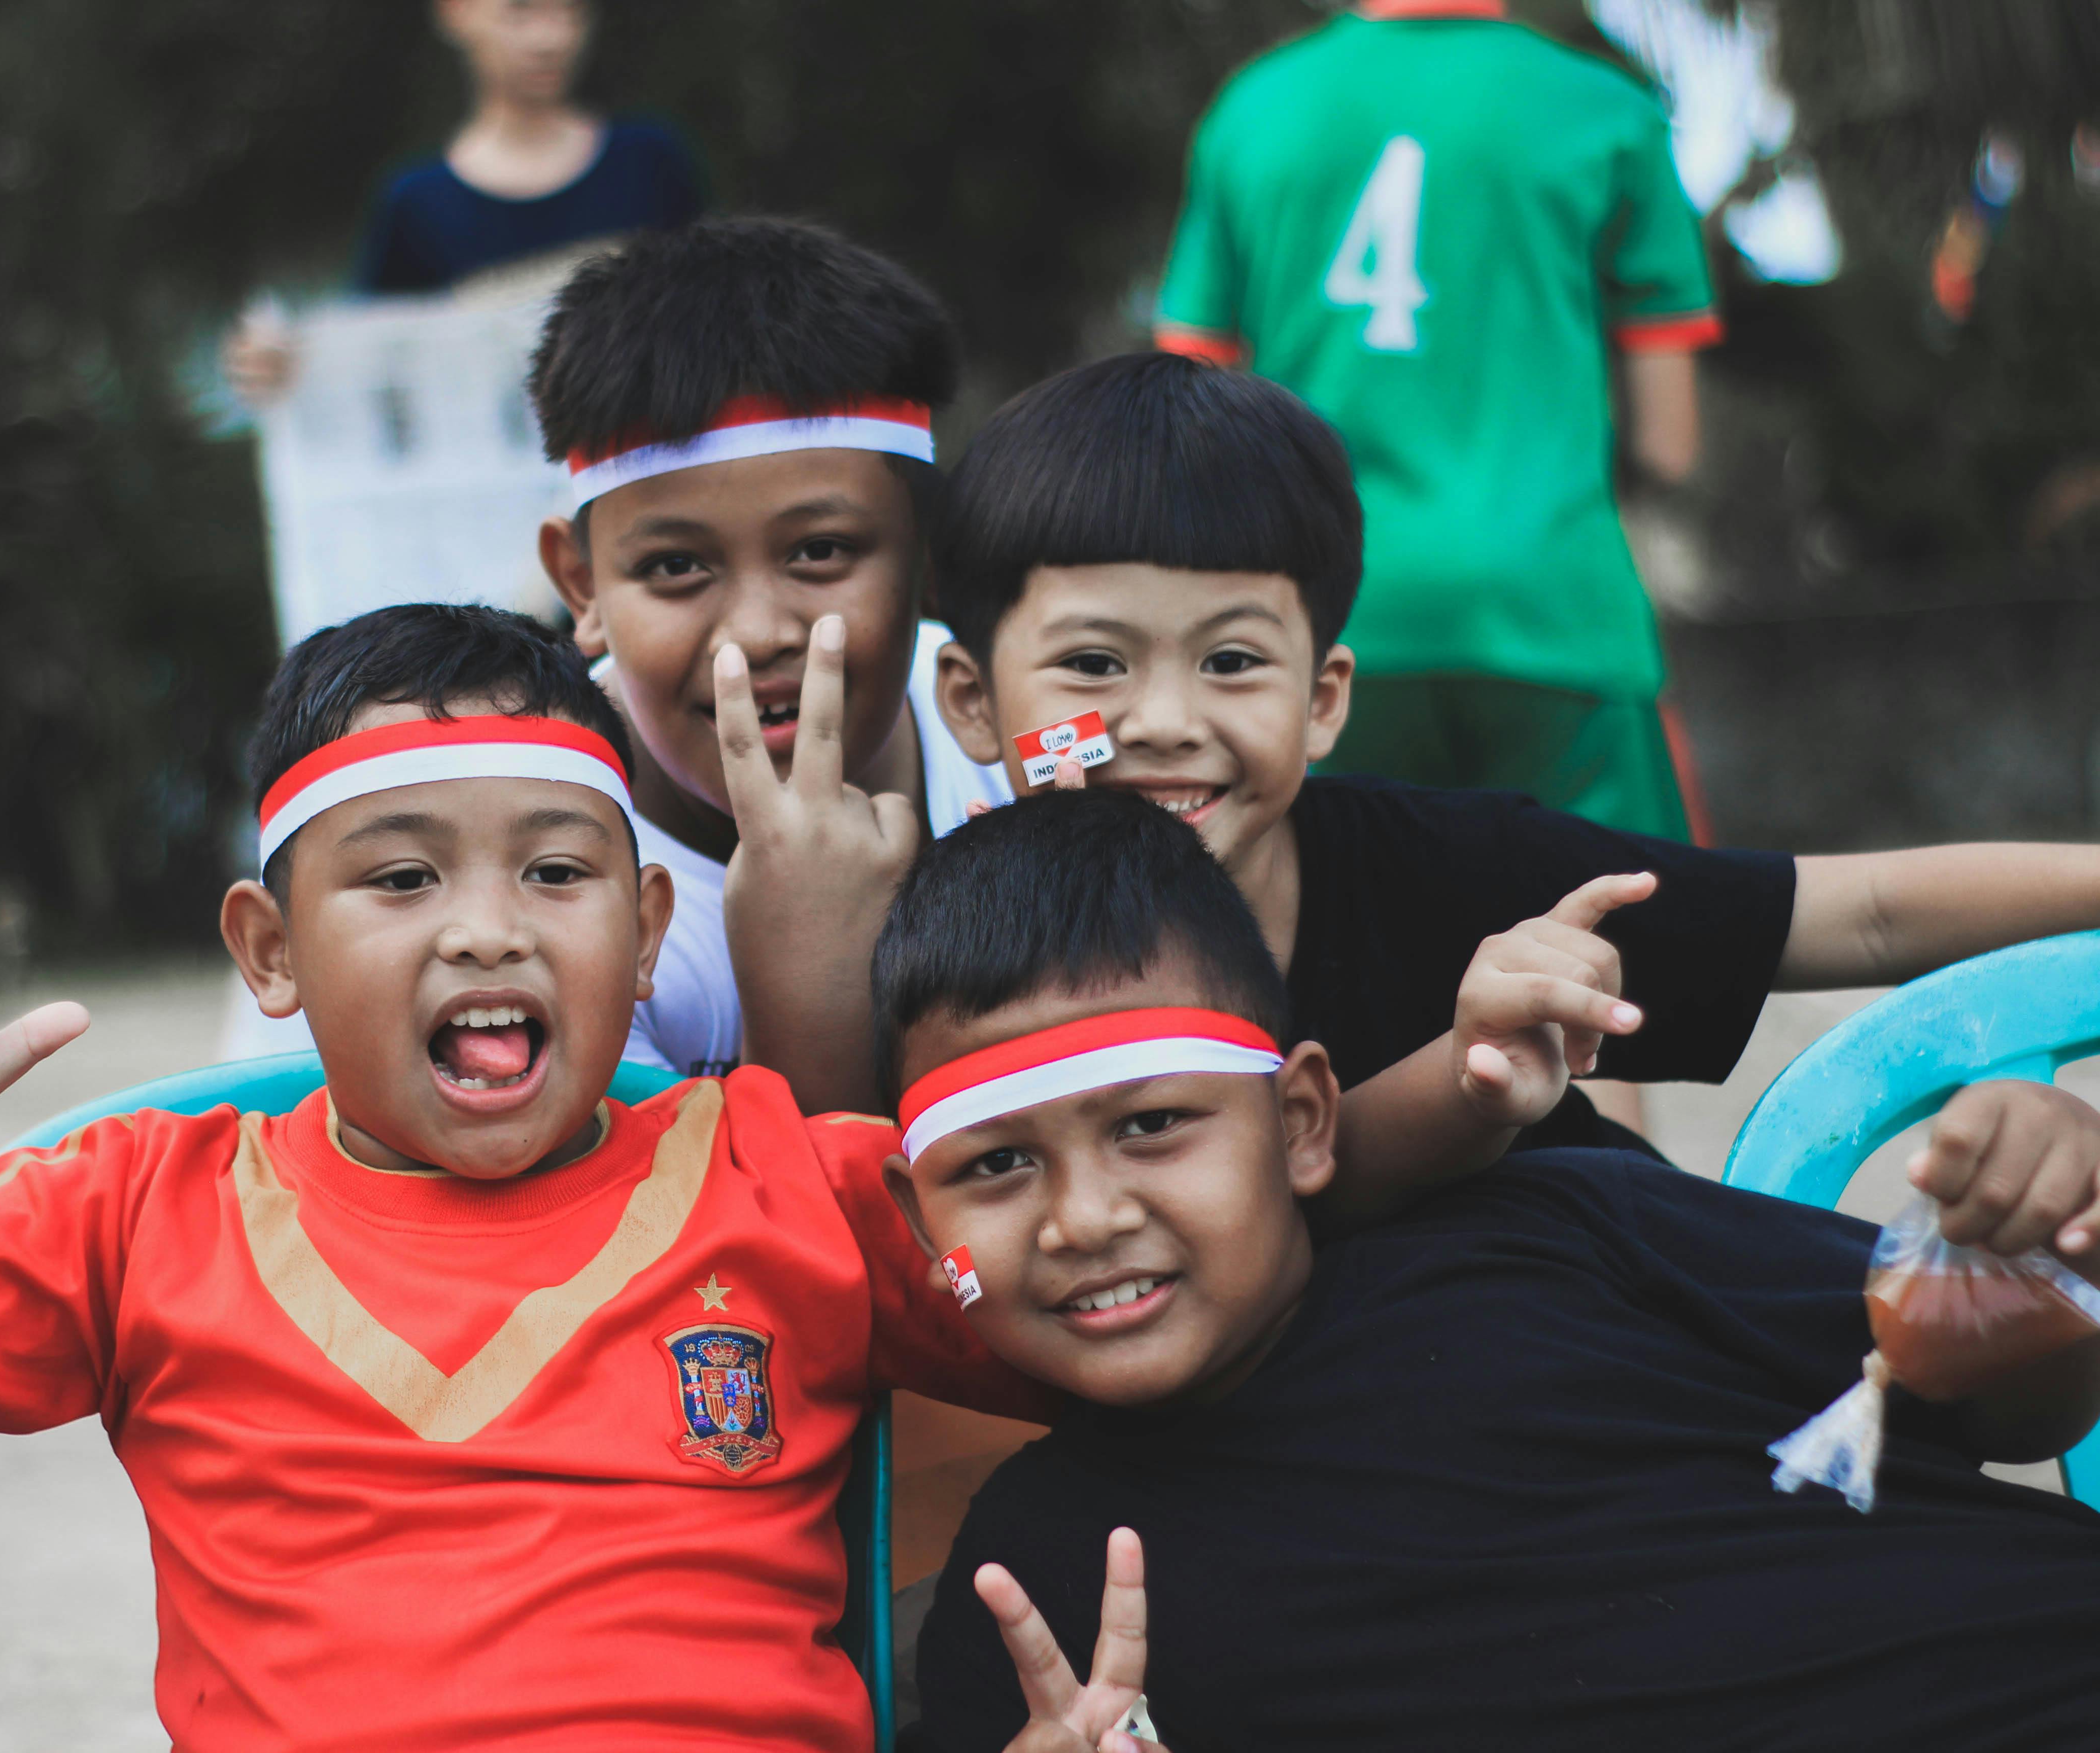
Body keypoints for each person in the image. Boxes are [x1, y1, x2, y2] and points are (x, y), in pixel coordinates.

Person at [0, 604, 1045, 1753]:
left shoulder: (787, 1184)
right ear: (268, 951)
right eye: (403, 880)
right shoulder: (138, 1215)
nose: (489, 933)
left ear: (650, 924)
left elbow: (1168, 1326)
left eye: (555, 873)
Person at [878, 790, 2100, 1751]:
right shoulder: (1026, 1590)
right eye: (995, 1165)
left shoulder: (1565, 1226)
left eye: (1150, 1125)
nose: (1083, 1217)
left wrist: (2027, 1258)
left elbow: (2005, 1405)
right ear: (918, 1223)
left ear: (1303, 1120)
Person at [914, 351, 2100, 1158]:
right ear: (970, 701)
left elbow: (1868, 914)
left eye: (1229, 663)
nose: (1165, 719)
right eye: (1092, 666)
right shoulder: (947, 957)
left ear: (1324, 699)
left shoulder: (1460, 867)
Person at [1153, 0, 1713, 844]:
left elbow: (1182, 417)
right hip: (1548, 608)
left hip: (1316, 619)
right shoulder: (1605, 106)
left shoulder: (1252, 105)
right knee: (1629, 937)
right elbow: (1665, 447)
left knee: (1347, 947)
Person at [527, 216, 1012, 1105]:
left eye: (820, 552)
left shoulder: (1023, 745)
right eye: (675, 567)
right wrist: (803, 995)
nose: (754, 634)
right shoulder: (532, 878)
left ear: (930, 556)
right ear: (583, 586)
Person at [222, 0, 700, 401]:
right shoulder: (417, 203)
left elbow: (724, 321)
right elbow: (376, 366)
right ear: (456, 12)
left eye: (569, 10)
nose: (550, 38)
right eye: (521, 10)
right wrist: (283, 365)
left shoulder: (650, 159)